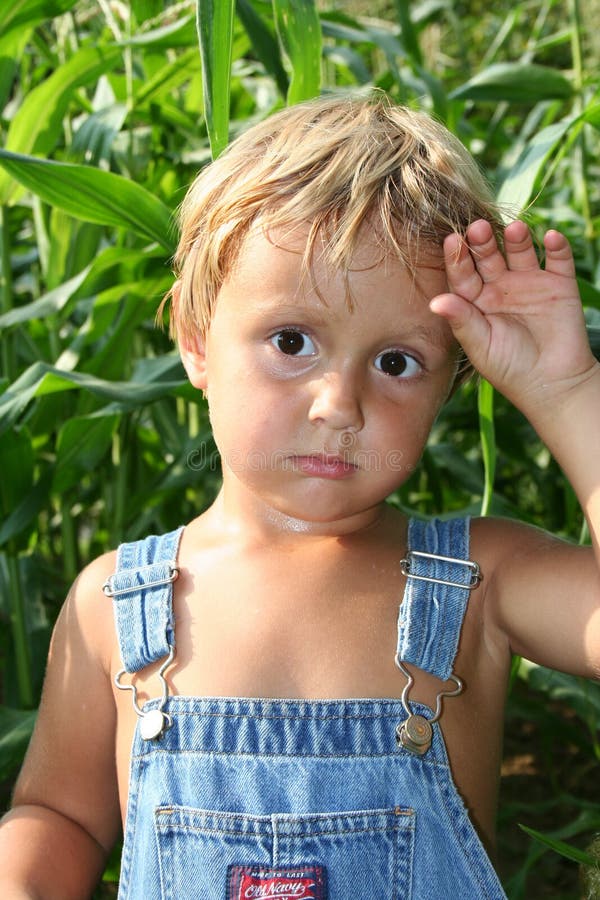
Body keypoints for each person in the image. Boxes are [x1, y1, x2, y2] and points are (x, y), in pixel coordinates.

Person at [1, 93, 599, 900]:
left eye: (395, 362)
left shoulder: (480, 578)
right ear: (194, 338)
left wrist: (566, 390)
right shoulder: (115, 603)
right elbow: (58, 815)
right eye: (291, 342)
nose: (338, 404)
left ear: (451, 382)